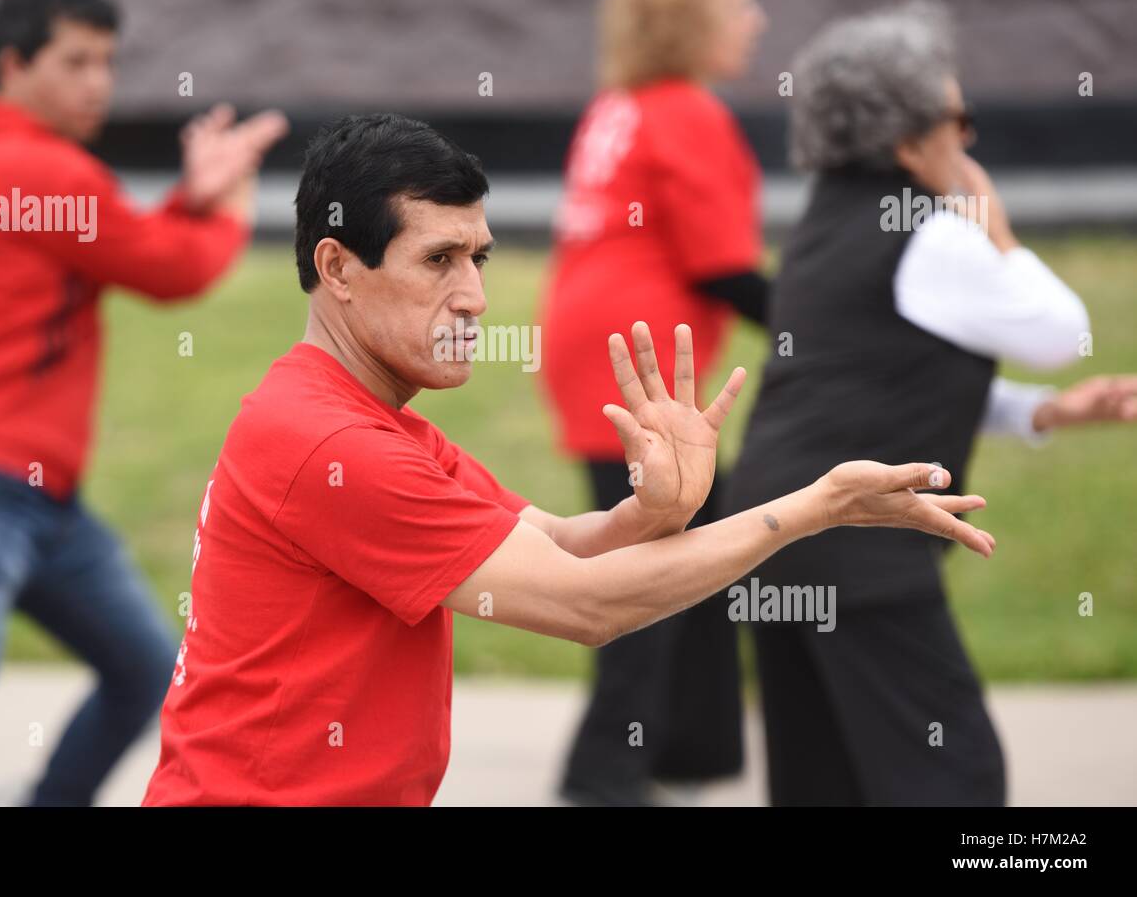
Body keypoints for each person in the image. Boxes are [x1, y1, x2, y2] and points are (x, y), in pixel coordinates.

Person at [142, 112, 996, 807]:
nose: (473, 296)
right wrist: (816, 509)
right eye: (437, 260)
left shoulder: (364, 418)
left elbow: (557, 544)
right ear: (338, 266)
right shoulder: (334, 445)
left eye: (477, 257)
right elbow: (587, 606)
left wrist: (653, 512)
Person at [0, 0, 288, 806]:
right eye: (75, 61)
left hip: (35, 497)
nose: (98, 81)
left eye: (107, 61)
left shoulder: (19, 165)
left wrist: (189, 198)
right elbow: (168, 266)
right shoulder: (31, 168)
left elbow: (123, 241)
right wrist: (230, 205)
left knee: (143, 667)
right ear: (12, 65)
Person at [723, 0, 1137, 806]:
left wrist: (1043, 414)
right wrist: (996, 224)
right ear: (910, 140)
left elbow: (880, 377)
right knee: (952, 776)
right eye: (959, 117)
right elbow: (1063, 331)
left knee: (823, 778)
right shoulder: (934, 234)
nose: (971, 138)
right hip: (856, 544)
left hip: (772, 530)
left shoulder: (825, 218)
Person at [537, 0, 769, 805]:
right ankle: (605, 776)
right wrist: (822, 327)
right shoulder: (685, 110)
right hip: (638, 366)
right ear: (690, 21)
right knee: (654, 566)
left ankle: (685, 753)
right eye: (738, 4)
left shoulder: (623, 104)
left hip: (593, 350)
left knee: (696, 545)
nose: (755, 20)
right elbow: (725, 268)